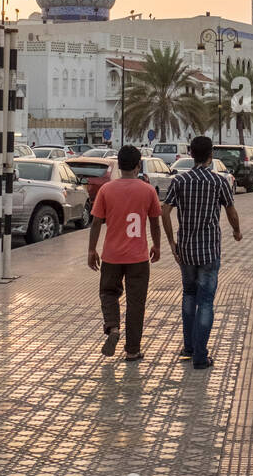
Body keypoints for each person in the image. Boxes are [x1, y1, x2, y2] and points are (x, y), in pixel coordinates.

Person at [161, 135, 242, 370]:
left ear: (190, 154)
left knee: (188, 296)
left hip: (185, 250)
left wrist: (171, 243)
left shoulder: (180, 181)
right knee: (206, 302)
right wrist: (237, 232)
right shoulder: (218, 182)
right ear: (211, 155)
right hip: (208, 251)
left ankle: (188, 348)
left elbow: (164, 212)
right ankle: (200, 355)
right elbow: (231, 211)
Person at [87, 144, 162, 361]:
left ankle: (113, 328)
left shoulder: (106, 190)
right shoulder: (147, 190)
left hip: (111, 255)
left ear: (118, 165)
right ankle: (132, 350)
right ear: (139, 165)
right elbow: (155, 222)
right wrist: (156, 246)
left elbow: (96, 223)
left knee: (108, 293)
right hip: (138, 257)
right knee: (136, 303)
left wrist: (92, 250)